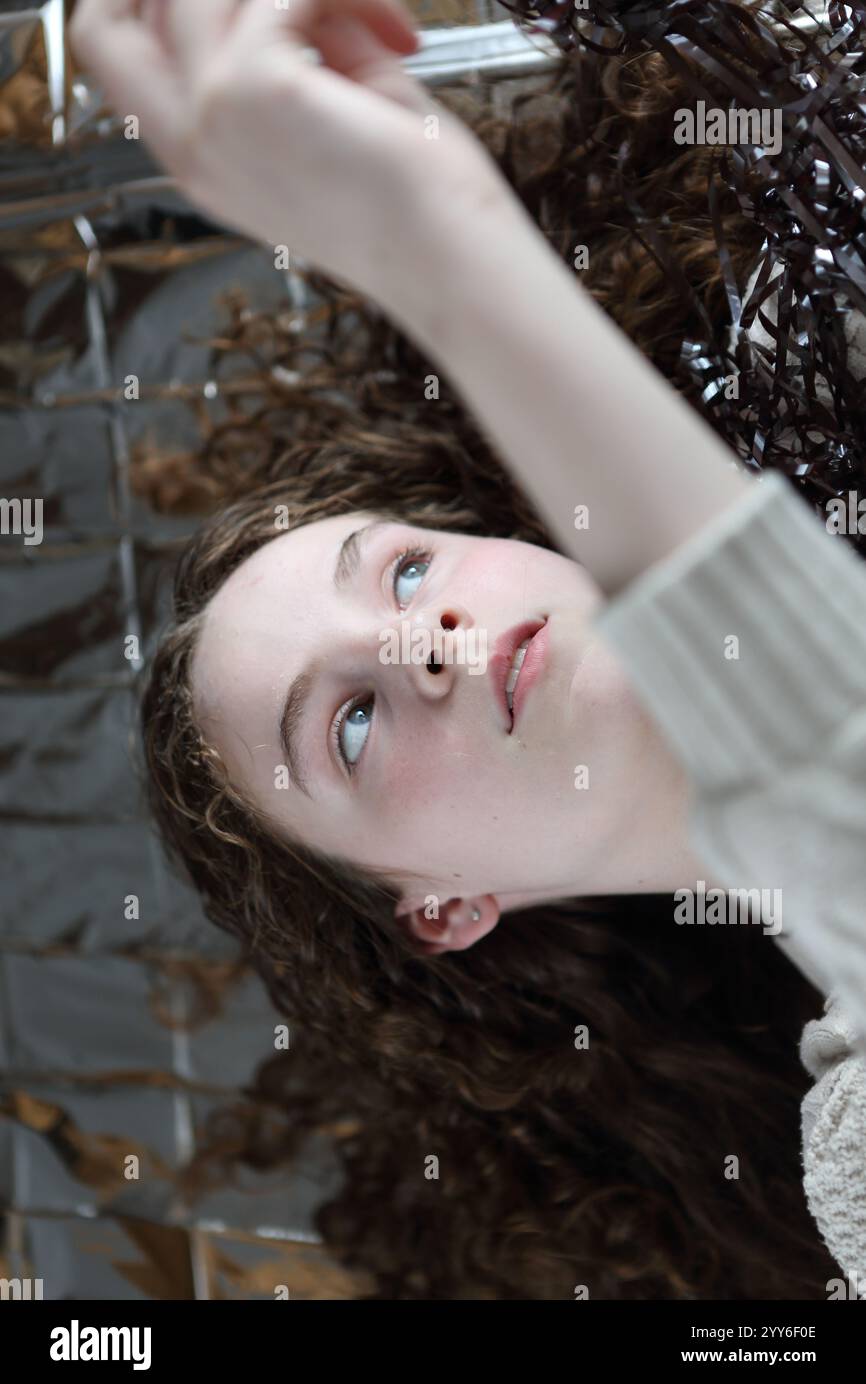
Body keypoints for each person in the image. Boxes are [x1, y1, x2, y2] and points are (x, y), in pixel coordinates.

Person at [70, 0, 866, 1296]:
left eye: (404, 566)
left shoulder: (819, 319)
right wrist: (438, 244)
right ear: (441, 903)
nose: (419, 639)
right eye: (351, 724)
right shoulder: (851, 1166)